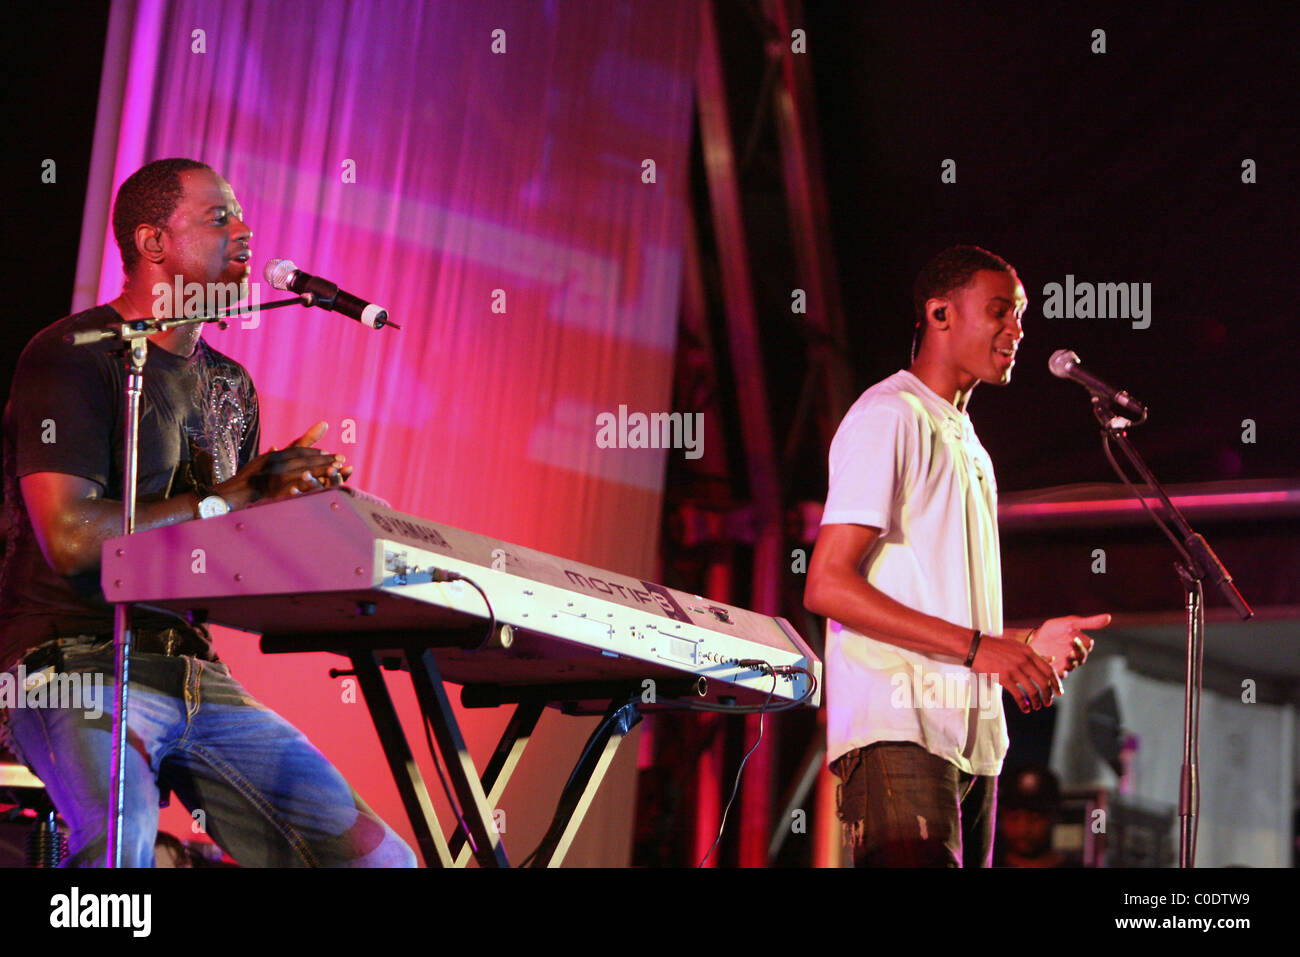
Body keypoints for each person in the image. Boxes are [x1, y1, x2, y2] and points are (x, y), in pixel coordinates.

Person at [0, 158, 415, 867]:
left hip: (194, 672)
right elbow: (70, 537)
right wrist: (240, 492)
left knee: (381, 861)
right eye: (219, 216)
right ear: (153, 243)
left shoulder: (231, 385)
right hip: (68, 659)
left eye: (242, 214)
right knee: (120, 839)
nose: (245, 229)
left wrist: (314, 517)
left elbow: (222, 552)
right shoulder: (74, 355)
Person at [804, 244, 1110, 867]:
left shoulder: (967, 439)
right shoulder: (890, 414)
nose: (1016, 329)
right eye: (999, 311)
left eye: (1020, 315)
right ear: (940, 314)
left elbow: (934, 602)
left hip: (970, 741)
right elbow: (828, 585)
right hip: (899, 728)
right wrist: (982, 649)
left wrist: (1019, 642)